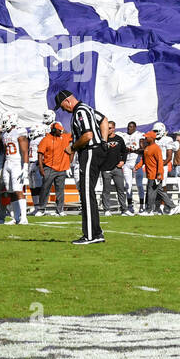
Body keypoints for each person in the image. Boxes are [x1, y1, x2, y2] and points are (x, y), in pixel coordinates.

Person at [55, 89, 110, 244]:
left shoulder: (80, 111)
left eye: (62, 106)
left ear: (67, 101)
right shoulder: (87, 108)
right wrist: (104, 141)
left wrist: (72, 147)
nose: (64, 110)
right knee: (88, 192)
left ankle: (91, 235)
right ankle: (96, 232)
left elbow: (88, 135)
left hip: (90, 152)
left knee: (86, 193)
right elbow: (104, 120)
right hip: (95, 151)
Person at [0, 113, 29, 225]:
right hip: (7, 162)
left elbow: (25, 151)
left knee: (18, 190)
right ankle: (16, 217)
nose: (3, 123)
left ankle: (24, 217)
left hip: (17, 163)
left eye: (5, 121)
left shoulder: (19, 132)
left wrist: (25, 167)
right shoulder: (5, 134)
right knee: (10, 191)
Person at [35, 122, 70, 216]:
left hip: (62, 168)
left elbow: (72, 135)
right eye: (59, 130)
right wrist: (41, 168)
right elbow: (40, 154)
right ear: (54, 130)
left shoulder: (65, 137)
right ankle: (41, 209)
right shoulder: (46, 139)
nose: (61, 131)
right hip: (49, 167)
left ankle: (60, 209)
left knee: (60, 190)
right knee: (45, 189)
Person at [100, 121, 131, 215]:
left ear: (114, 128)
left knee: (121, 189)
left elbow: (124, 152)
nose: (107, 130)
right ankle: (107, 210)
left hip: (117, 168)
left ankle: (124, 210)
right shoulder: (102, 139)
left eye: (109, 128)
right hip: (106, 169)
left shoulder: (119, 139)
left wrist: (123, 161)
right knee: (106, 190)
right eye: (106, 128)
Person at [142, 129, 175, 215]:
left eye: (147, 137)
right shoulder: (148, 147)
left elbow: (161, 161)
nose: (145, 139)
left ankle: (150, 210)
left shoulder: (157, 147)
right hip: (151, 172)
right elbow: (144, 160)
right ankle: (171, 206)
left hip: (156, 172)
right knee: (160, 191)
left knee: (151, 191)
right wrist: (137, 166)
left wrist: (159, 173)